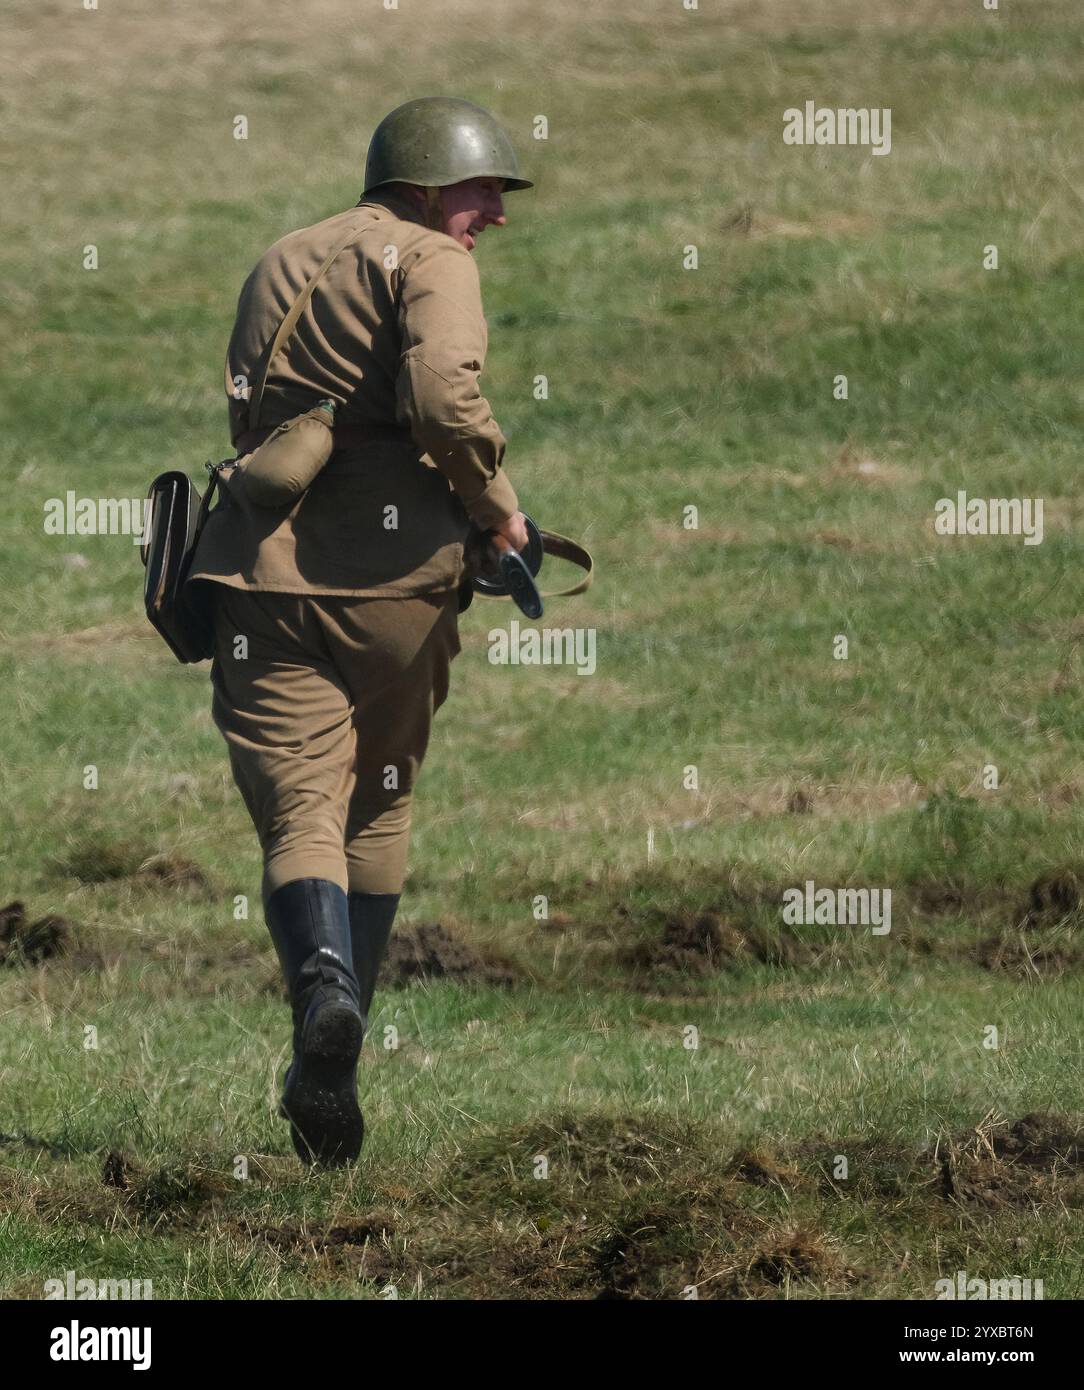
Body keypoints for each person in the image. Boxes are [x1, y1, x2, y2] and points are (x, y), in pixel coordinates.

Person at [188, 96, 532, 1167]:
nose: (495, 215)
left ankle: (319, 1001)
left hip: (260, 571)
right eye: (484, 191)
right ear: (430, 186)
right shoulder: (432, 258)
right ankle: (335, 1049)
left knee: (300, 806)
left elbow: (251, 413)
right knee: (376, 805)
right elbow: (441, 394)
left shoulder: (280, 256)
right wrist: (497, 505)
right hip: (396, 589)